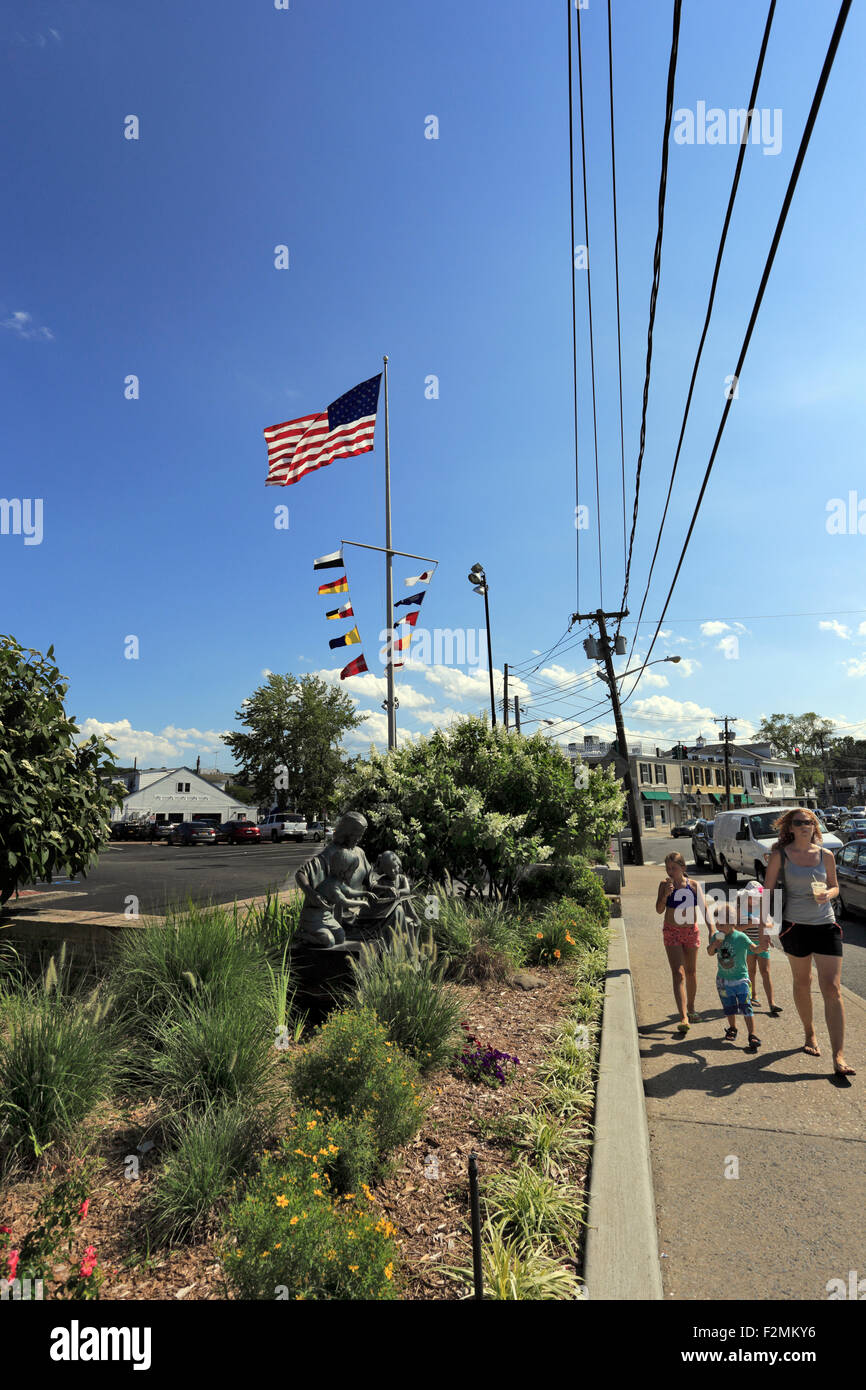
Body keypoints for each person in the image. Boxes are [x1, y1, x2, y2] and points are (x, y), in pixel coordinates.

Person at [762, 808, 855, 1077]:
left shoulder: (825, 856)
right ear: (790, 828)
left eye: (811, 822)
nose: (806, 826)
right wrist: (763, 928)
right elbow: (767, 891)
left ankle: (839, 1056)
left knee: (832, 988)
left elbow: (836, 885)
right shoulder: (780, 855)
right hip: (795, 927)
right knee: (803, 983)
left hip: (825, 925)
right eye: (800, 822)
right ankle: (809, 1033)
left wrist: (829, 893)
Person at [655, 851, 712, 1035]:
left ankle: (692, 1008)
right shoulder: (664, 885)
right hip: (672, 931)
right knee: (678, 974)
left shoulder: (693, 886)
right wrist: (665, 895)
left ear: (683, 868)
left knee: (691, 972)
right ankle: (683, 1017)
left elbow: (704, 908)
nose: (670, 872)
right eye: (668, 868)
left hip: (690, 931)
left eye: (674, 868)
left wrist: (712, 930)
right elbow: (659, 909)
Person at [708, 903, 766, 1049]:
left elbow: (755, 948)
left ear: (732, 922)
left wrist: (762, 946)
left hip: (741, 979)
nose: (718, 926)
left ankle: (752, 1034)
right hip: (723, 980)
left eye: (722, 923)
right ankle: (732, 1028)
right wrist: (715, 944)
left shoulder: (741, 937)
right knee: (729, 1006)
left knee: (746, 1007)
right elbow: (709, 952)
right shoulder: (716, 936)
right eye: (717, 922)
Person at [737, 881, 781, 1016]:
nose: (755, 900)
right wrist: (749, 924)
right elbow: (736, 928)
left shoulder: (763, 908)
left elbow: (770, 923)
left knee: (766, 972)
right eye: (752, 897)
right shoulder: (741, 909)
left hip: (762, 942)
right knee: (751, 971)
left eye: (758, 897)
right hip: (747, 943)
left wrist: (765, 929)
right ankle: (752, 996)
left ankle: (771, 1003)